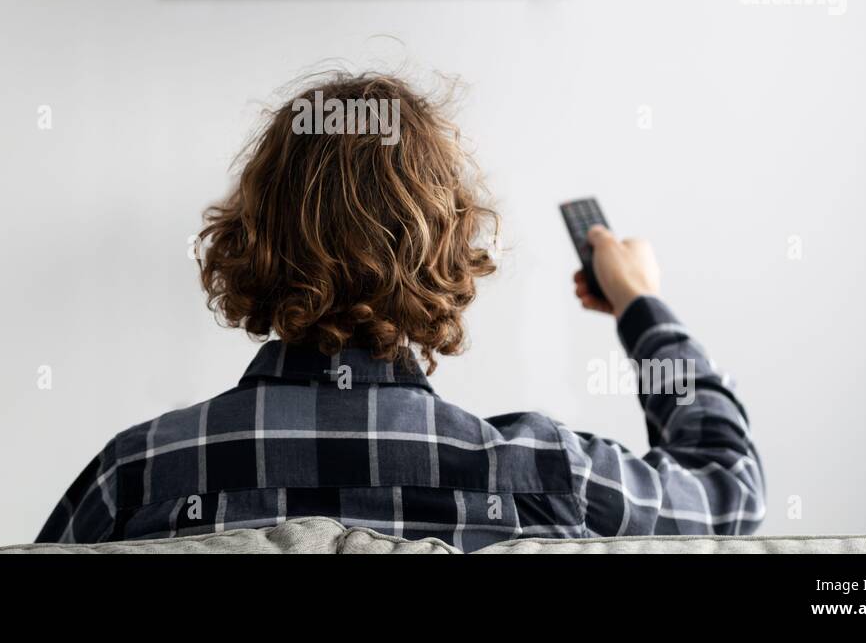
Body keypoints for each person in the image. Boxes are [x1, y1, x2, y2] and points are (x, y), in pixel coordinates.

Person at [37, 73, 765, 550]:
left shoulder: (137, 477)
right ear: (448, 249)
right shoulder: (550, 477)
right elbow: (730, 496)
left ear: (251, 241)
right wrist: (639, 302)